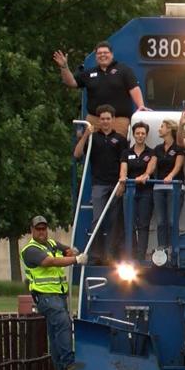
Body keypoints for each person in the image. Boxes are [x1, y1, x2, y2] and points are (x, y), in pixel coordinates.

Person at [20, 215, 87, 370]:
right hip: (46, 296)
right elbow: (50, 262)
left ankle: (61, 369)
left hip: (59, 295)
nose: (41, 232)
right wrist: (75, 259)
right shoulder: (30, 250)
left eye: (44, 228)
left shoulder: (51, 244)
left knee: (55, 331)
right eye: (38, 229)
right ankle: (69, 363)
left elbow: (66, 250)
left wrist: (71, 251)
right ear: (31, 230)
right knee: (63, 322)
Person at [53, 41, 147, 137]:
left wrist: (141, 105)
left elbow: (134, 88)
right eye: (99, 53)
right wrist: (64, 67)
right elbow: (71, 82)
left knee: (117, 146)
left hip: (118, 121)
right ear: (96, 56)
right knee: (91, 145)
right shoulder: (89, 73)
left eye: (105, 52)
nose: (102, 55)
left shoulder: (124, 70)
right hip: (94, 121)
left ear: (112, 54)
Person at [73, 105, 128, 263]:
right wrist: (85, 135)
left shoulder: (120, 140)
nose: (105, 121)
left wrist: (121, 182)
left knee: (115, 220)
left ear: (113, 120)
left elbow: (124, 161)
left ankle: (111, 255)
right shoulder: (93, 138)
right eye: (102, 119)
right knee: (97, 220)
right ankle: (97, 255)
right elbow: (77, 154)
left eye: (108, 118)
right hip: (98, 184)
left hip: (115, 184)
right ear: (99, 120)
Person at [119, 122, 155, 260]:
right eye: (137, 133)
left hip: (146, 193)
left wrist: (144, 176)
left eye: (143, 133)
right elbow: (123, 170)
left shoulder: (151, 152)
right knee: (129, 224)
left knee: (143, 225)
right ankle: (131, 254)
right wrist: (123, 179)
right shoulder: (126, 153)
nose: (140, 136)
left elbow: (150, 170)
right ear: (133, 135)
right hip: (130, 192)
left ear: (146, 135)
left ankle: (140, 256)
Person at [150, 118, 185, 251]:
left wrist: (170, 176)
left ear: (169, 129)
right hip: (158, 187)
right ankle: (161, 250)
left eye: (162, 126)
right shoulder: (158, 149)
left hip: (174, 187)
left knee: (172, 221)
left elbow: (178, 165)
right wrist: (146, 174)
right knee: (160, 221)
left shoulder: (179, 148)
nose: (159, 129)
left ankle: (173, 249)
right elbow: (152, 164)